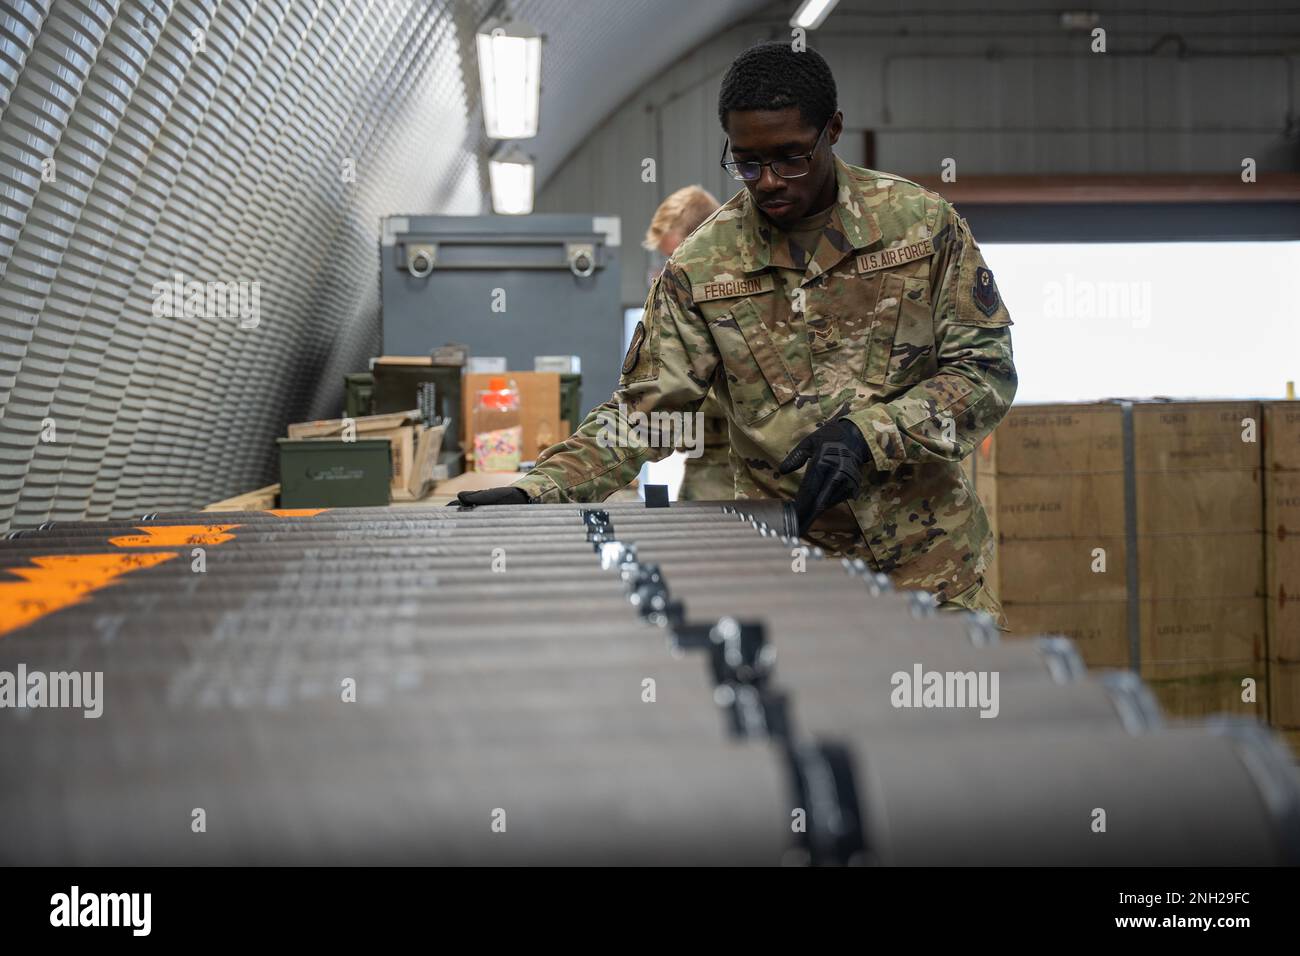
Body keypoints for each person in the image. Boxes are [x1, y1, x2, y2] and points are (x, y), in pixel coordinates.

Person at [460, 41, 1016, 623]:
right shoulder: (703, 268)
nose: (769, 181)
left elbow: (985, 374)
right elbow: (647, 416)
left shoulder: (922, 227)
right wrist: (538, 490)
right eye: (747, 162)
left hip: (932, 567)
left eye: (790, 157)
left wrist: (869, 434)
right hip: (789, 569)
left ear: (833, 130)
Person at [642, 185, 732, 500]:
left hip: (747, 474)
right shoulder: (685, 301)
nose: (671, 268)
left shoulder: (747, 299)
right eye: (668, 258)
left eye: (677, 254)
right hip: (704, 462)